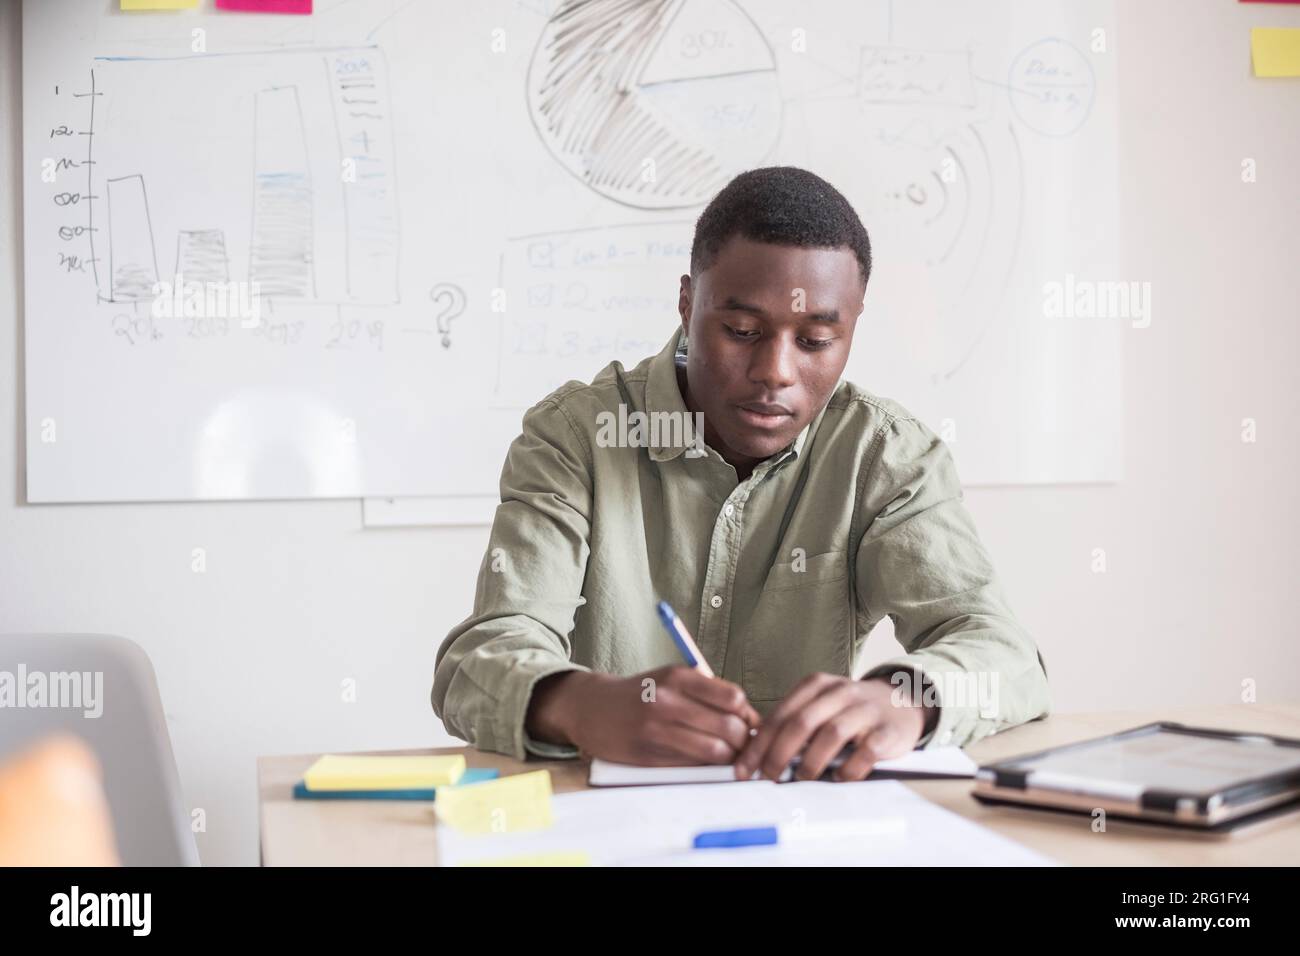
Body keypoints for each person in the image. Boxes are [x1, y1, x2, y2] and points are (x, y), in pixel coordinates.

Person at [433, 166, 1050, 782]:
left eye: (815, 341)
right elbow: (479, 661)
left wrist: (905, 698)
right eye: (742, 331)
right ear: (687, 301)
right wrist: (580, 706)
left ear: (853, 327)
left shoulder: (885, 456)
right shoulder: (577, 437)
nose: (775, 371)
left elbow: (1010, 659)